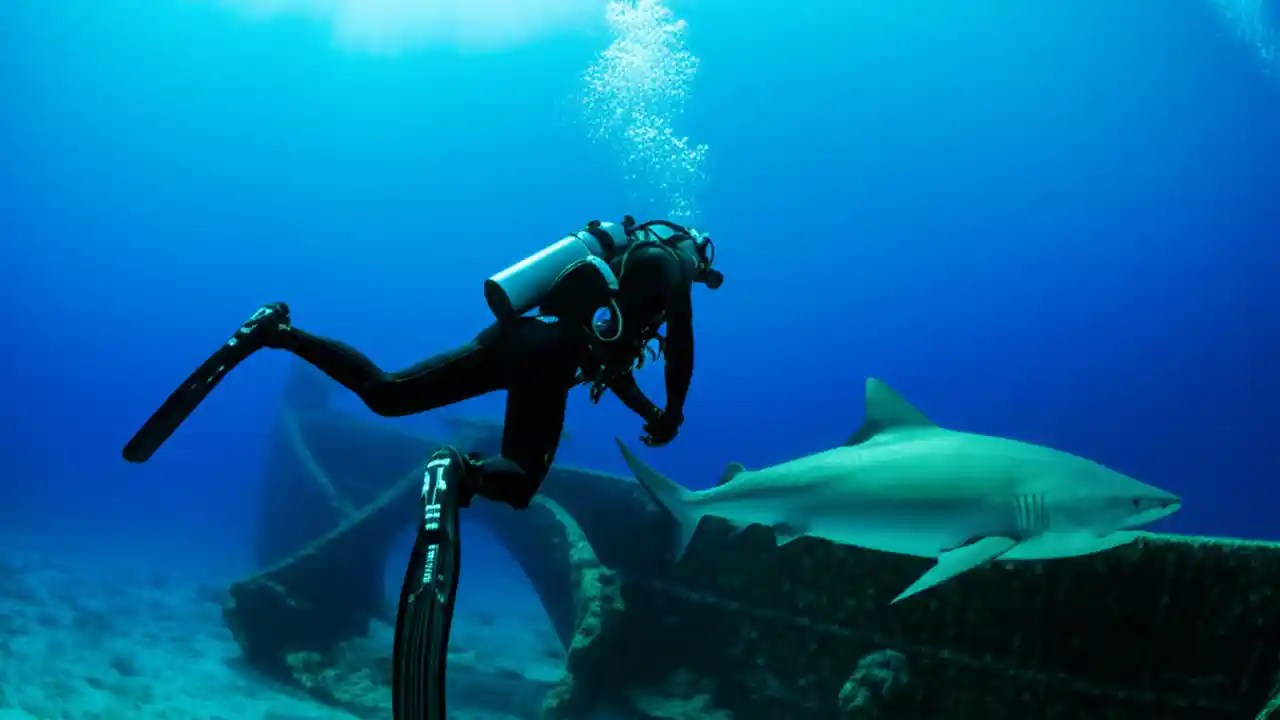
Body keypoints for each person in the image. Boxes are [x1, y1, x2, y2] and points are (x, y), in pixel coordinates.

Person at [123, 216, 723, 511]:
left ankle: (276, 332)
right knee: (518, 483)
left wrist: (649, 410)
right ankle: (459, 471)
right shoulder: (668, 267)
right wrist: (674, 408)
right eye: (703, 262)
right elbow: (684, 347)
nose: (700, 272)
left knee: (388, 393)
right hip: (545, 358)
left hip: (514, 339)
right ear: (692, 250)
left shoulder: (627, 277)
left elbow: (606, 358)